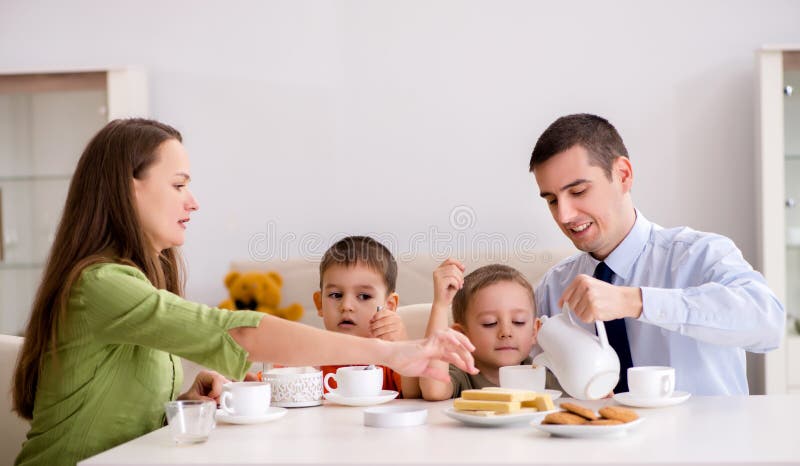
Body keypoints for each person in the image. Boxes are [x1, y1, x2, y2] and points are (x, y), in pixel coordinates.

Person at [11, 118, 476, 466]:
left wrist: (189, 395)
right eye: (178, 185)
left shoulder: (132, 283)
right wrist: (388, 352)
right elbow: (239, 332)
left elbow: (117, 406)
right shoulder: (100, 284)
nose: (193, 201)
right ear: (127, 190)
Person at [529, 113, 785, 396]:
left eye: (578, 191)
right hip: (593, 439)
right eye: (552, 200)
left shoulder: (700, 255)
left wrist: (636, 301)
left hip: (707, 439)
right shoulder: (554, 287)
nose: (564, 215)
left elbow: (769, 323)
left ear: (623, 175)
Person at [419, 260, 545, 400]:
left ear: (534, 331)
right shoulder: (462, 372)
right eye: (489, 323)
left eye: (518, 321)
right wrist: (440, 305)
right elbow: (433, 390)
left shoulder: (540, 372)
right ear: (462, 335)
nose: (506, 332)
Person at [313, 235, 418, 398]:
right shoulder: (308, 353)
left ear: (389, 306)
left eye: (363, 296)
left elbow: (414, 395)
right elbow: (274, 384)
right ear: (320, 304)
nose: (346, 306)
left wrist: (401, 344)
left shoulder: (389, 355)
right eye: (335, 295)